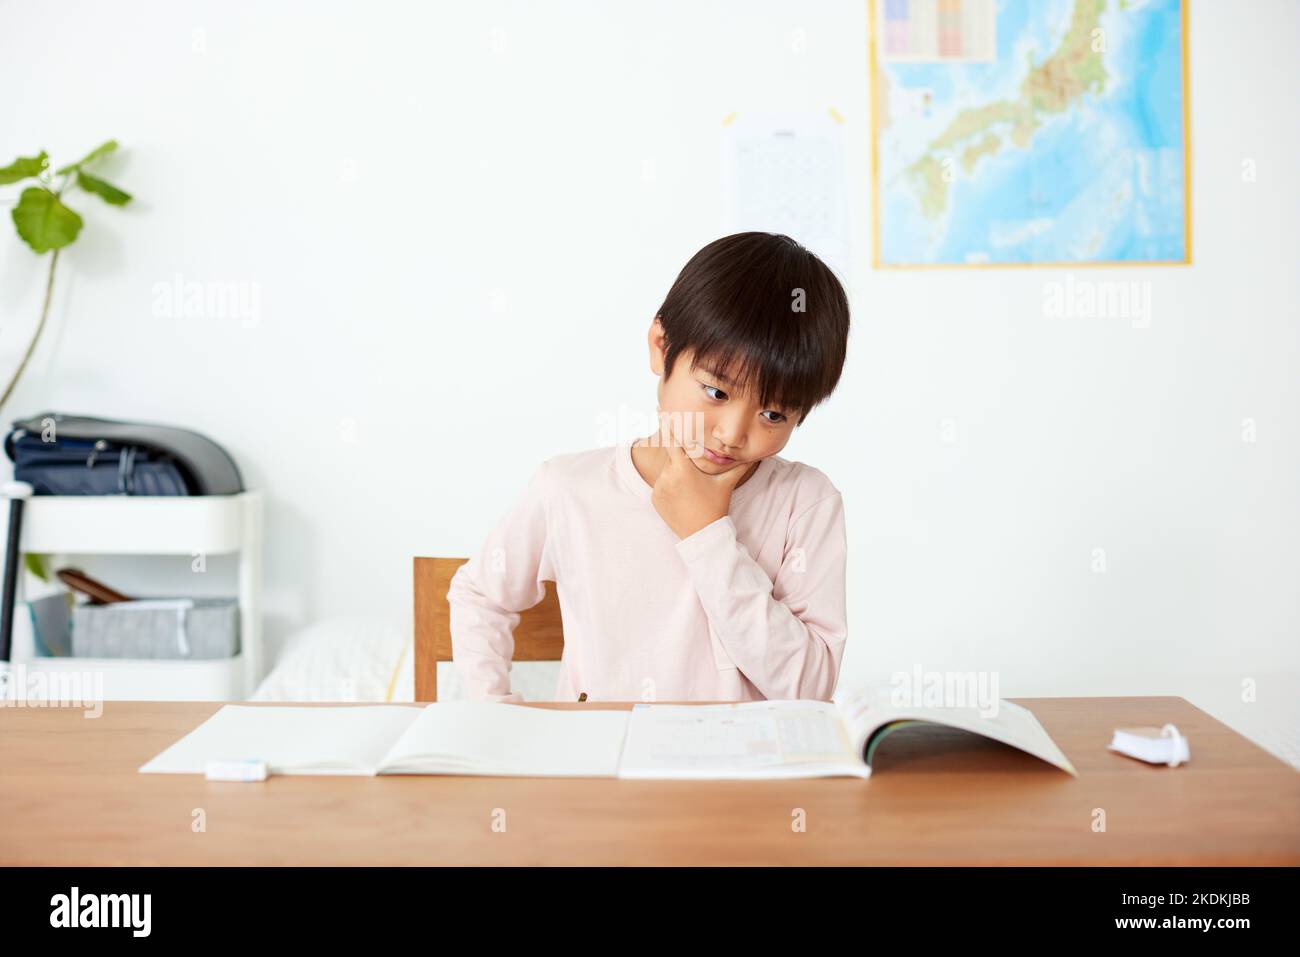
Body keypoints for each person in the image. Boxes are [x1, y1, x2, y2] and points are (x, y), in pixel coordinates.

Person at [448, 231, 851, 703]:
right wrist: (495, 712)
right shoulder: (568, 489)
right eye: (716, 392)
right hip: (602, 767)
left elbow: (810, 687)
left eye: (773, 415)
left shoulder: (806, 503)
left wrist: (708, 535)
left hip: (741, 772)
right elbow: (479, 597)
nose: (731, 434)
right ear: (662, 347)